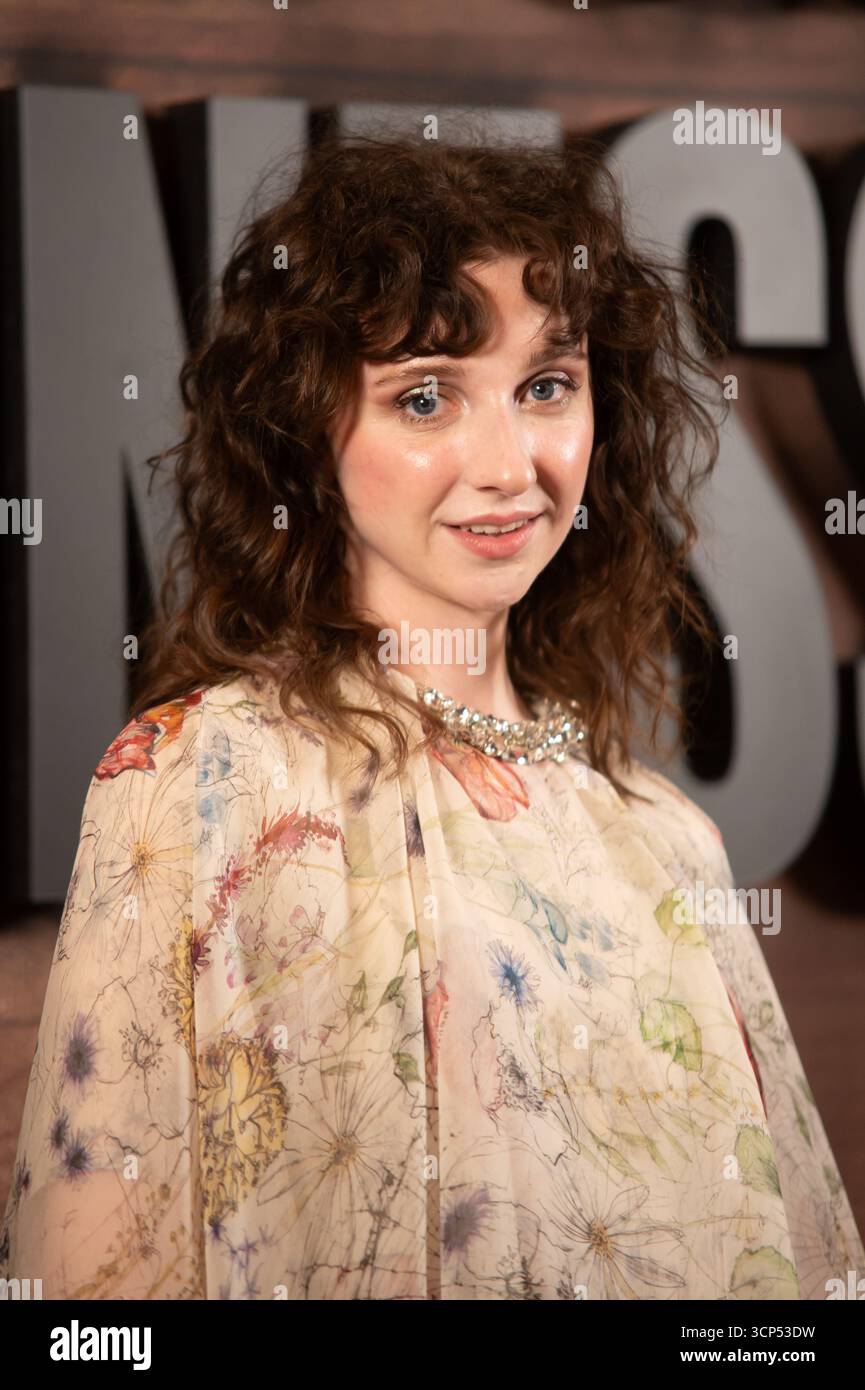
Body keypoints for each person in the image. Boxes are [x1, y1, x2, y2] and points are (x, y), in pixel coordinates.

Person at [2, 134, 861, 1301]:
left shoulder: (666, 839)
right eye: (423, 397)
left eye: (546, 385)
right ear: (309, 433)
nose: (508, 465)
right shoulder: (199, 779)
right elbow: (91, 1287)